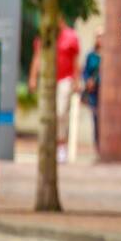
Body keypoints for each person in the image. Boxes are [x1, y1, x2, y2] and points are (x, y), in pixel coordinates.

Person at [28, 18, 80, 163]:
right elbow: (37, 57)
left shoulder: (71, 36)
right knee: (47, 115)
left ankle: (61, 145)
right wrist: (33, 78)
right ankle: (48, 147)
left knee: (61, 113)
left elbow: (75, 60)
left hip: (65, 79)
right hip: (48, 79)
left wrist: (76, 81)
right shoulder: (45, 35)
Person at [80, 30, 102, 155]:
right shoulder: (91, 55)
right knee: (95, 118)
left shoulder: (107, 55)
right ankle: (97, 146)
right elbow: (85, 71)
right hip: (93, 93)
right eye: (98, 36)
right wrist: (88, 81)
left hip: (103, 92)